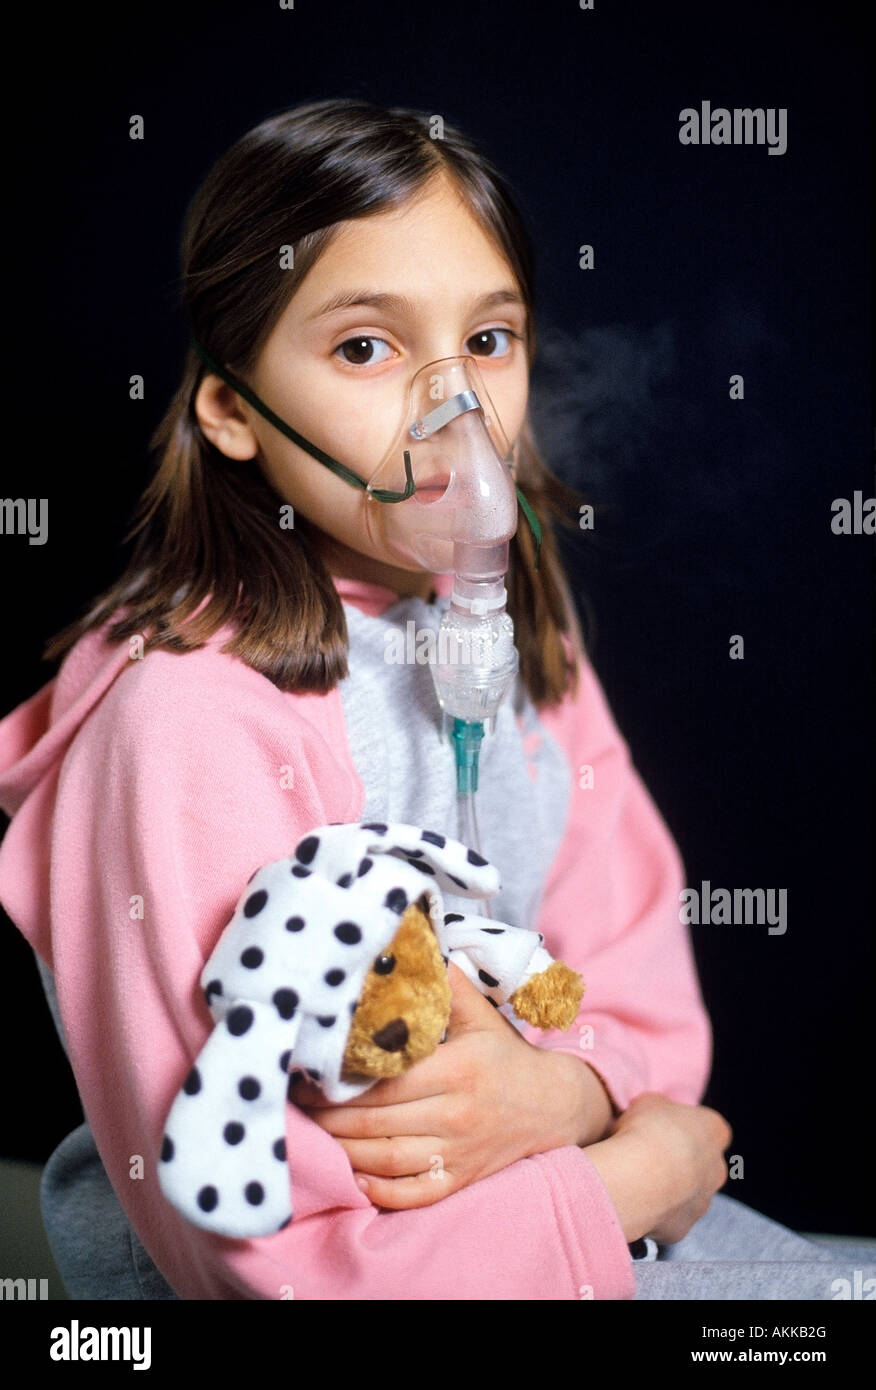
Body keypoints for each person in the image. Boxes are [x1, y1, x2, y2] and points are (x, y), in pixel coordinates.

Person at [0, 99, 869, 1301]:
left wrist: (569, 1089)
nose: (452, 406)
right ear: (232, 410)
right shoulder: (185, 722)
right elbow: (275, 1260)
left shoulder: (524, 639)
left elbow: (641, 989)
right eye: (367, 348)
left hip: (565, 1210)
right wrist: (635, 1173)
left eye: (490, 339)